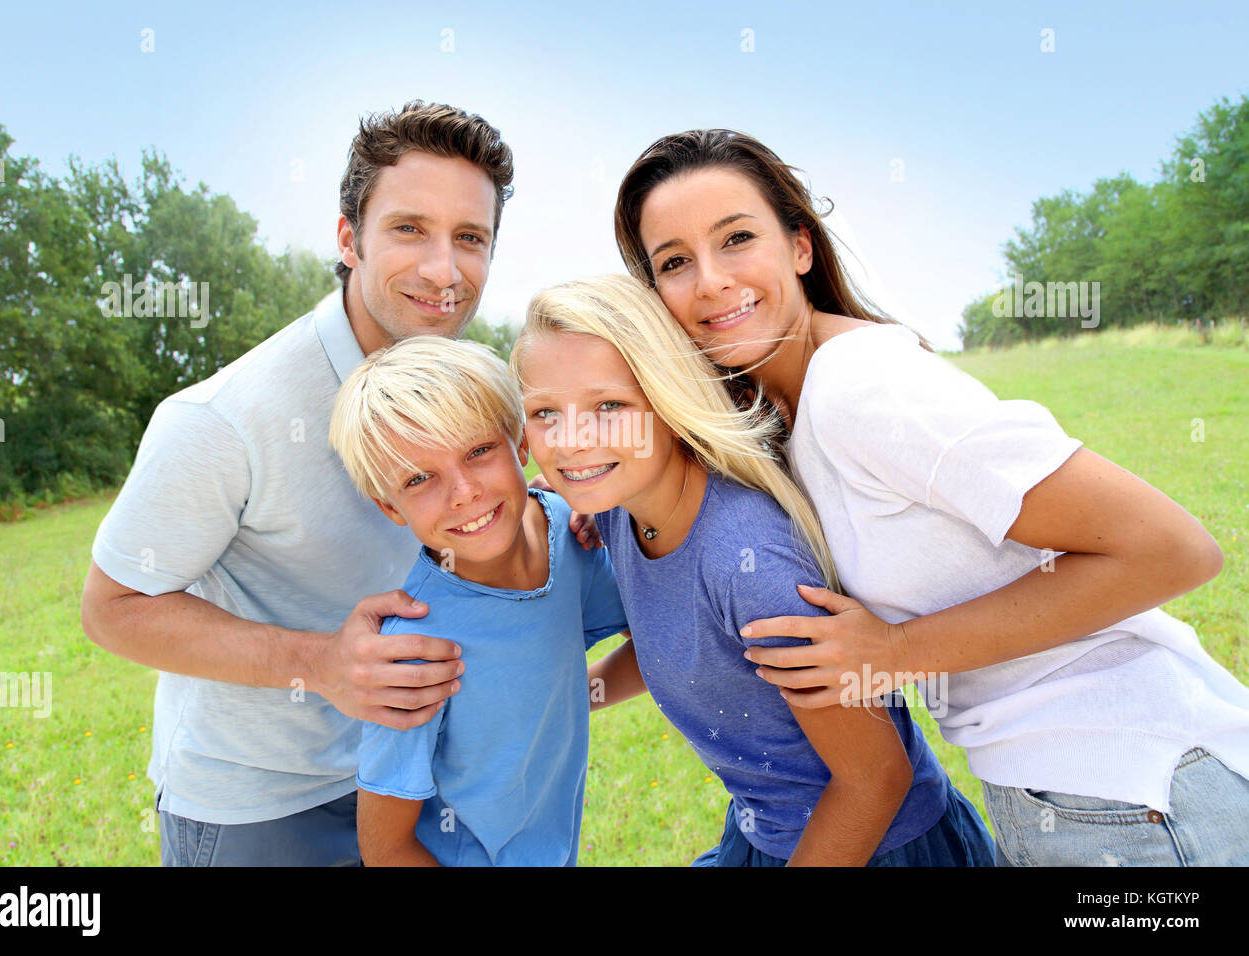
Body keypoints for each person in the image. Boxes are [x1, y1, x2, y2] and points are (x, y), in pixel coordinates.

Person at [611, 128, 1249, 865]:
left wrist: (895, 650)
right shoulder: (785, 417)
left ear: (801, 248)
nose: (712, 280)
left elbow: (1171, 551)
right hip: (1061, 796)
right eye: (675, 262)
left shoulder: (862, 387)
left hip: (1137, 788)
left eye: (737, 238)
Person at [79, 101, 514, 866]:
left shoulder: (472, 388)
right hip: (263, 810)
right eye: (409, 228)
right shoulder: (223, 419)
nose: (444, 272)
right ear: (349, 238)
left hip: (417, 778)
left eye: (469, 238)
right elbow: (113, 610)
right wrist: (319, 666)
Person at [512, 274, 995, 866]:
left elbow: (875, 779)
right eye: (544, 414)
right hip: (763, 829)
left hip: (870, 845)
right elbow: (685, 643)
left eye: (609, 406)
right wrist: (566, 698)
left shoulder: (749, 564)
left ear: (667, 396)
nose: (570, 442)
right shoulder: (618, 507)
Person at [328, 335, 628, 866]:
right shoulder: (412, 650)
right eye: (420, 479)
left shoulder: (570, 534)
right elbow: (386, 848)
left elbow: (664, 637)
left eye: (478, 451)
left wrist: (565, 699)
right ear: (390, 507)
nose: (463, 492)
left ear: (521, 446)